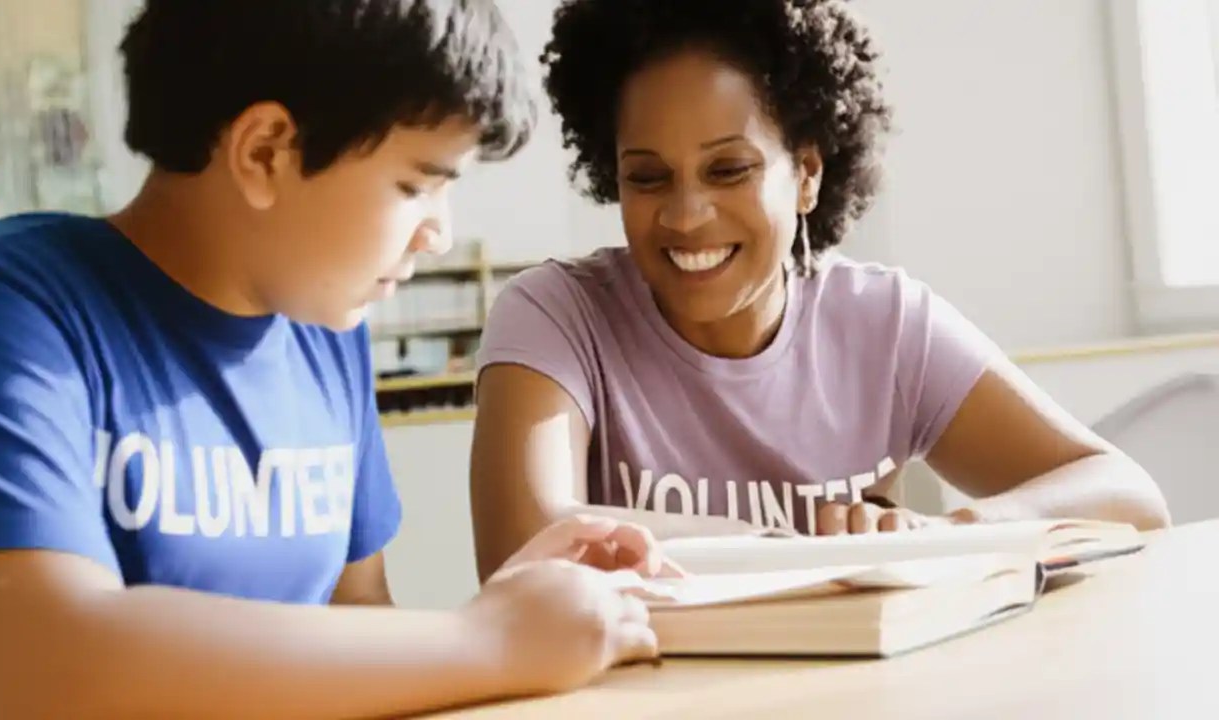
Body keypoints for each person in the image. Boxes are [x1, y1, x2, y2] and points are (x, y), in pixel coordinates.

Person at [0, 2, 672, 718]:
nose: (438, 234)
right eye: (416, 184)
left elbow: (357, 623)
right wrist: (488, 637)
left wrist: (516, 605)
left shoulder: (324, 331)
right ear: (264, 152)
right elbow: (42, 667)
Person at [469, 0, 1171, 580]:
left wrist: (947, 531)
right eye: (648, 178)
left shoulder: (885, 324)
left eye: (729, 170)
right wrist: (802, 549)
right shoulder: (556, 316)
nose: (684, 216)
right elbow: (522, 543)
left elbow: (1130, 497)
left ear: (805, 173)